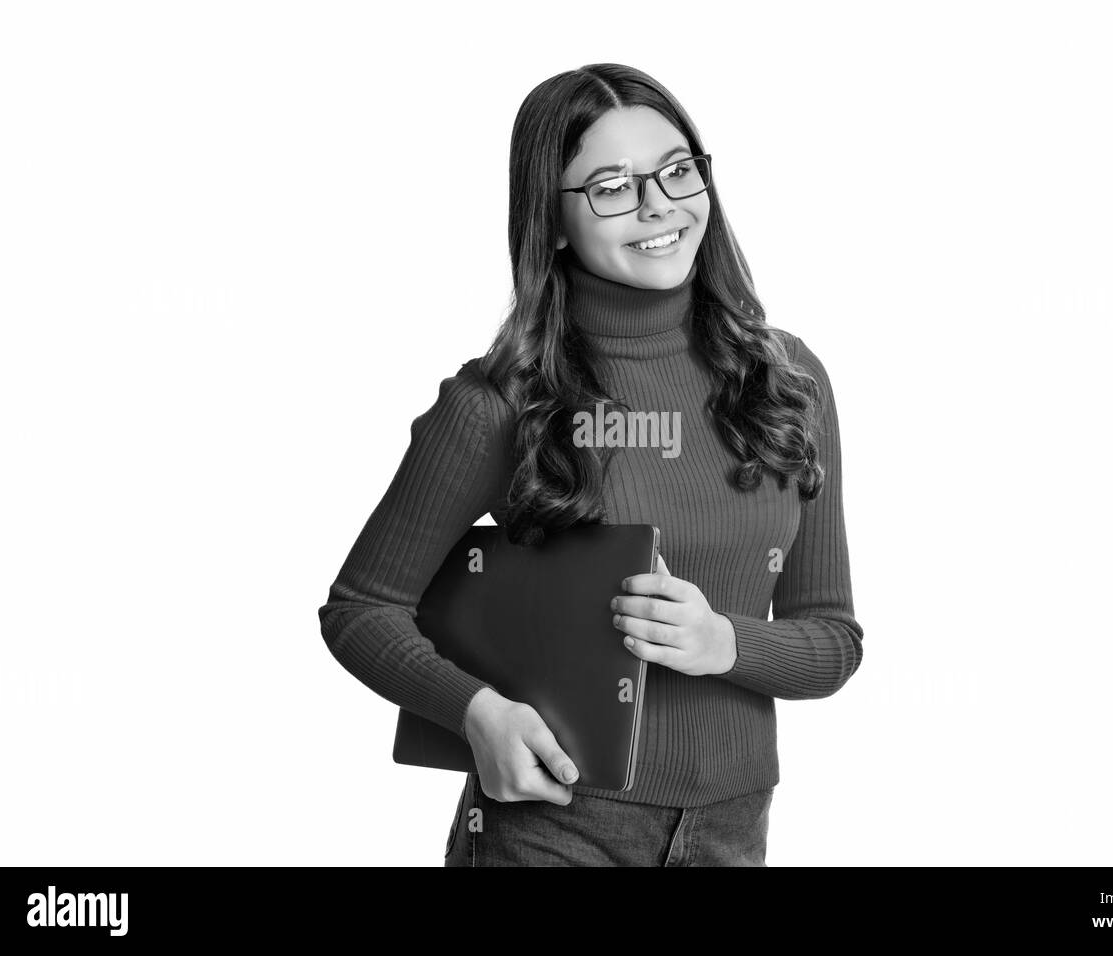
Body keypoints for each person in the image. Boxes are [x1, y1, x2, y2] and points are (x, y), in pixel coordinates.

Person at [317, 63, 864, 867]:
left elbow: (833, 641)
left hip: (733, 832)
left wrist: (725, 643)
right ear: (556, 220)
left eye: (677, 171)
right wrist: (477, 713)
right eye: (611, 187)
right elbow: (360, 608)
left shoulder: (788, 382)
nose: (659, 207)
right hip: (555, 825)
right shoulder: (499, 403)